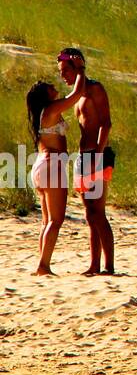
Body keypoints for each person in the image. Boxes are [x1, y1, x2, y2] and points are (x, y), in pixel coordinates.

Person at [57, 49, 115, 276]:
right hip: (84, 156)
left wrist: (98, 156)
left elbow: (106, 124)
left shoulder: (94, 89)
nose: (63, 76)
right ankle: (94, 265)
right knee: (89, 214)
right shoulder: (77, 95)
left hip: (96, 155)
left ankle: (109, 266)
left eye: (66, 70)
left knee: (98, 212)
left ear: (77, 67)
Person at [24, 73, 85, 275]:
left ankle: (42, 264)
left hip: (42, 165)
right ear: (46, 94)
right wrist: (81, 71)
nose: (55, 88)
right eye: (51, 87)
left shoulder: (44, 114)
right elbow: (75, 95)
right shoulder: (49, 110)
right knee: (55, 220)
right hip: (52, 164)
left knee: (47, 220)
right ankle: (44, 265)